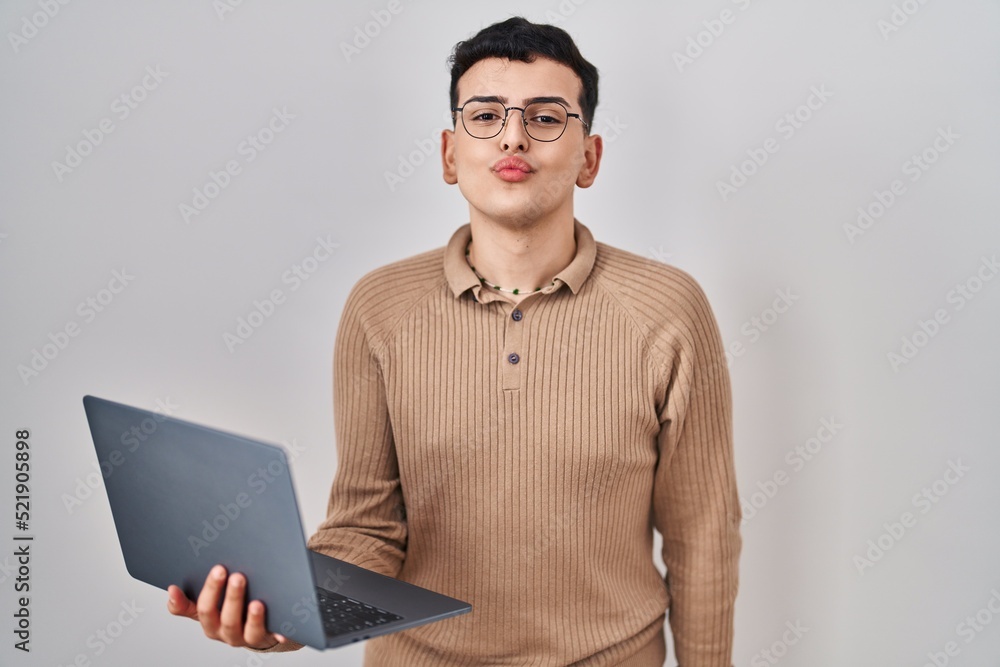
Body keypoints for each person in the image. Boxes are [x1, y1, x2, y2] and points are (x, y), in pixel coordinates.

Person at [168, 16, 742, 666]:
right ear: (449, 152)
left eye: (547, 117)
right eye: (486, 114)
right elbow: (368, 524)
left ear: (590, 157)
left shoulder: (668, 308)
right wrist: (290, 612)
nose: (514, 136)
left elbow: (702, 534)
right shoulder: (379, 306)